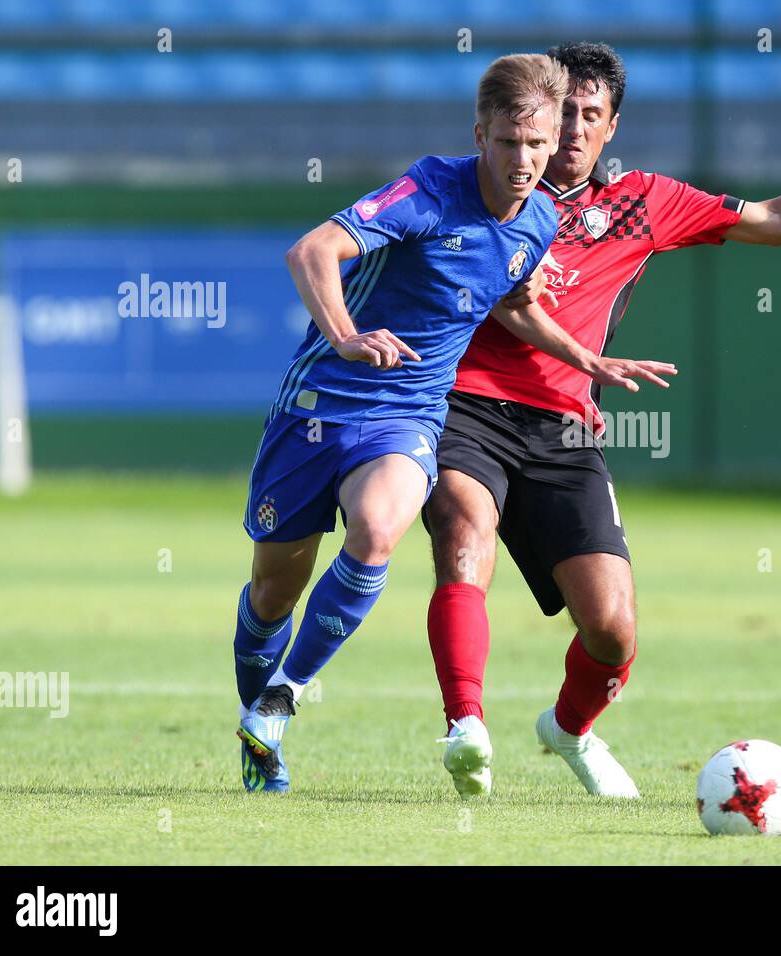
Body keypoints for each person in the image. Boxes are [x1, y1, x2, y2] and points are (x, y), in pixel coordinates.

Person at [424, 41, 781, 798]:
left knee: (613, 628)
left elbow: (773, 219)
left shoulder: (641, 202)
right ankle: (466, 727)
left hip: (563, 427)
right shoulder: (484, 188)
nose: (573, 132)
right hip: (464, 404)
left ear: (613, 126)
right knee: (465, 534)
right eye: (563, 114)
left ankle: (568, 728)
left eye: (592, 116)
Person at [231, 52, 674, 791]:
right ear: (481, 134)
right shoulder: (429, 189)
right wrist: (345, 336)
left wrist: (585, 360)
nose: (526, 160)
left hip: (408, 412)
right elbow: (312, 250)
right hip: (318, 408)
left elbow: (512, 301)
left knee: (377, 533)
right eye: (510, 143)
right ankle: (255, 715)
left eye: (538, 144)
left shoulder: (538, 220)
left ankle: (282, 699)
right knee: (275, 589)